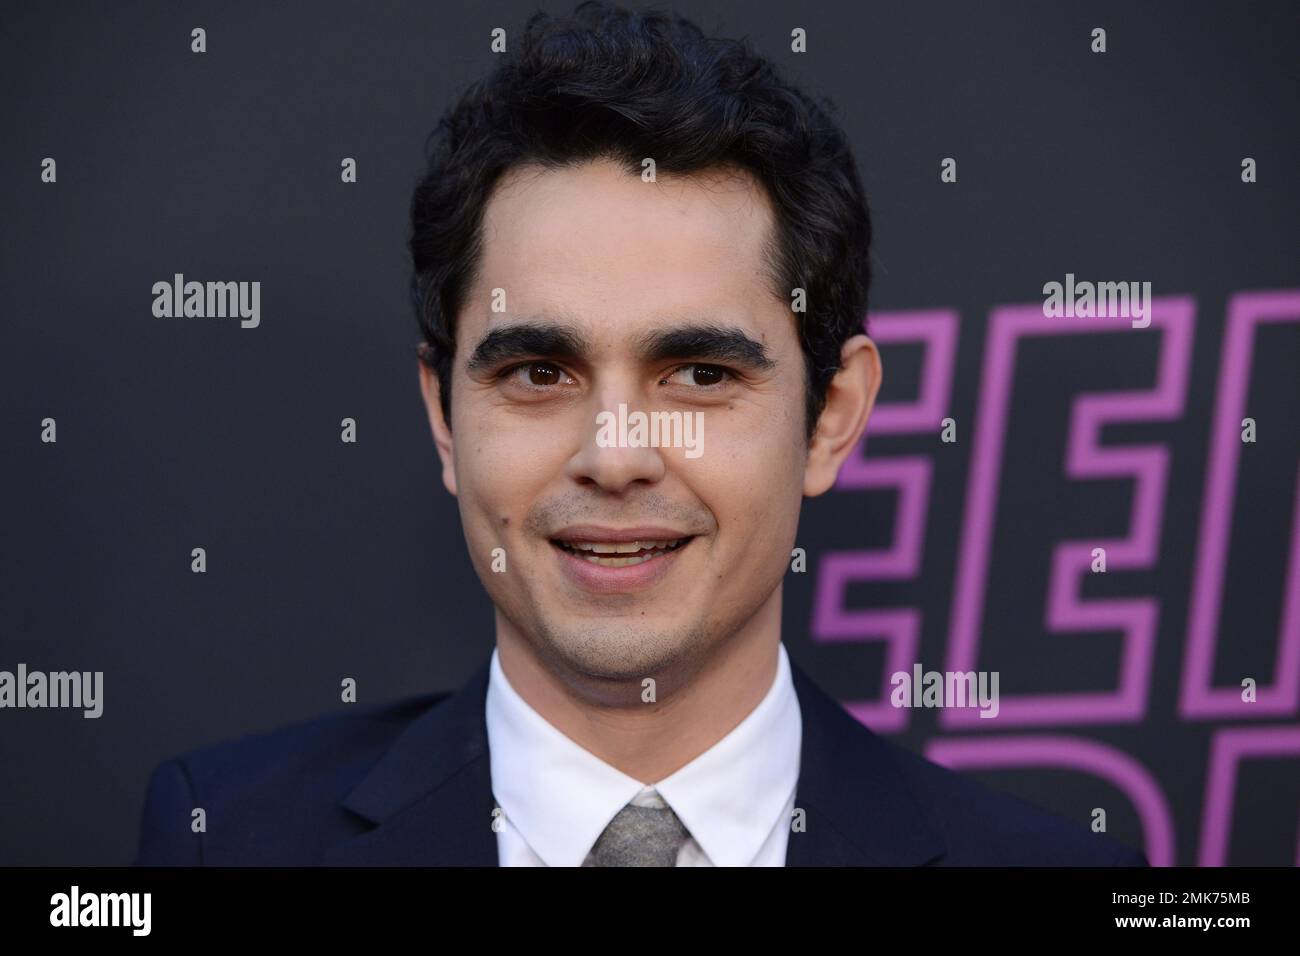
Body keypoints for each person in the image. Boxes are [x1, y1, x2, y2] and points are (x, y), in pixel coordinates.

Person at [135, 1, 1148, 867]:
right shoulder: (224, 837)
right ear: (445, 415)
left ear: (830, 418)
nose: (614, 453)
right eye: (538, 372)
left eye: (700, 374)